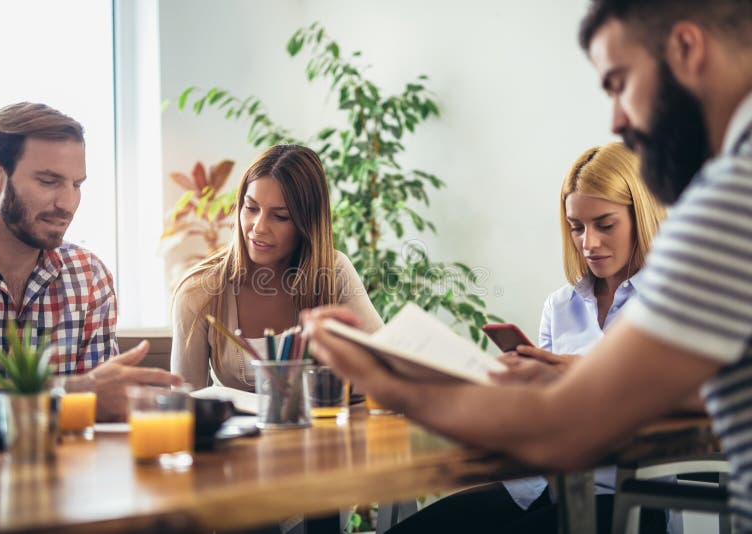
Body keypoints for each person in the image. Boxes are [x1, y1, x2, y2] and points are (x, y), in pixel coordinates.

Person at [302, 0, 752, 529]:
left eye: (619, 83)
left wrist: (388, 380)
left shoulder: (730, 199)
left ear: (686, 49)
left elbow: (559, 429)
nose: (617, 119)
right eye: (578, 227)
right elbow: (697, 390)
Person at [388, 143, 668, 534]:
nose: (589, 243)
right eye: (577, 227)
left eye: (605, 225)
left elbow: (675, 404)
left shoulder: (670, 304)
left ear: (641, 216)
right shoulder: (561, 306)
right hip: (538, 486)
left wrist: (584, 376)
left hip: (622, 497)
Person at [0, 102, 181, 421]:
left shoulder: (88, 276)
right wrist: (73, 390)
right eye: (48, 181)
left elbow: (101, 406)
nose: (67, 203)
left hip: (67, 453)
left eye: (76, 185)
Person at [171, 144, 382, 391]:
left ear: (307, 224)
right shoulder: (199, 291)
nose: (259, 227)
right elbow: (185, 401)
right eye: (251, 208)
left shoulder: (333, 272)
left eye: (280, 216)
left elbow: (385, 366)